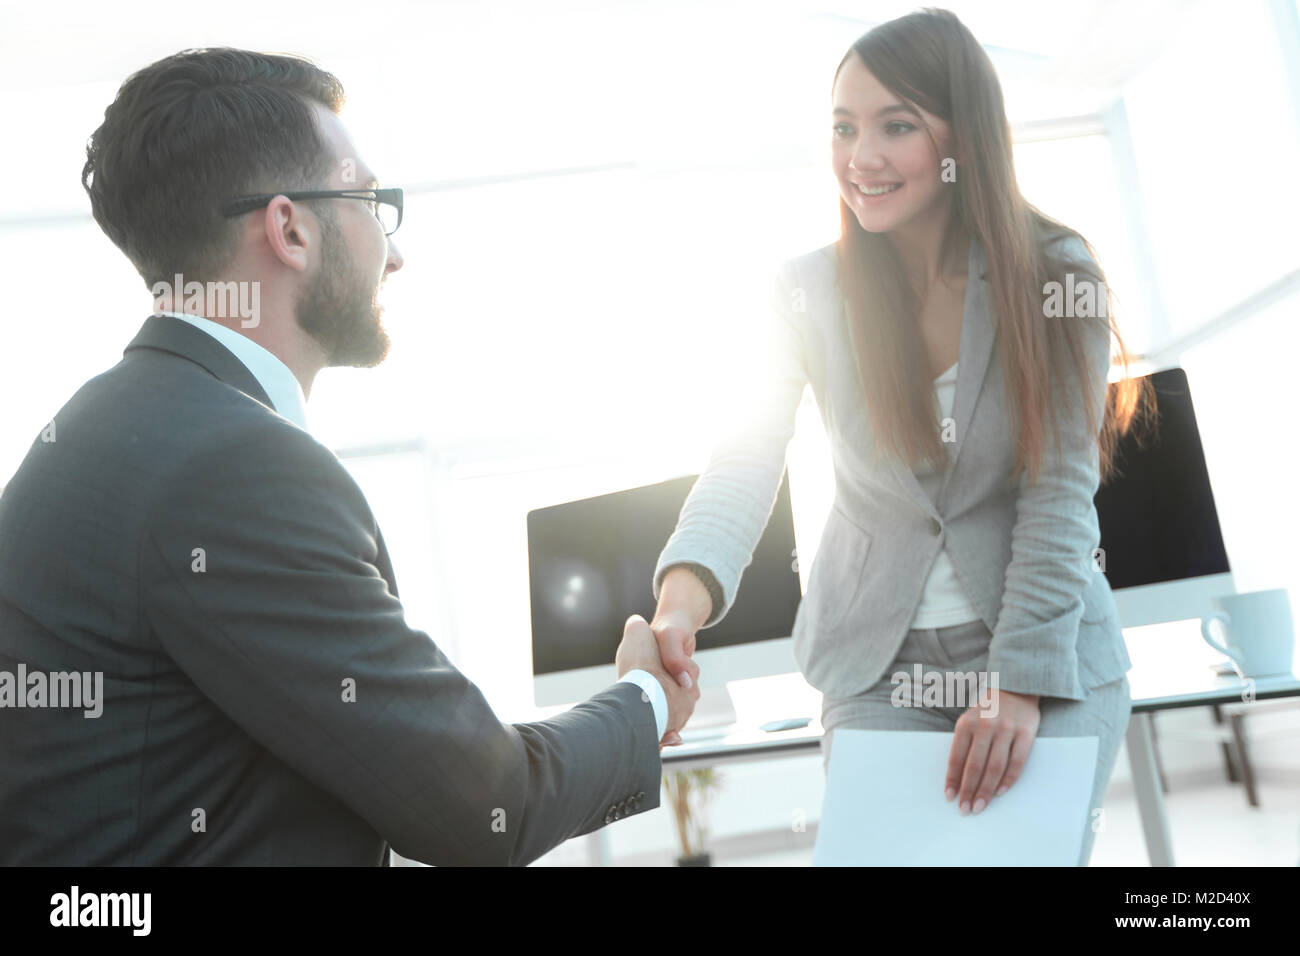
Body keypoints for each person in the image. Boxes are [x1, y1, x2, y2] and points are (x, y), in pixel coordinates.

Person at [0, 47, 698, 866]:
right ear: (290, 229)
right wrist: (646, 698)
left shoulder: (103, 430)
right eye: (371, 201)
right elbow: (485, 806)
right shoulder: (235, 468)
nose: (394, 254)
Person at [647, 9, 1154, 865]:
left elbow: (1059, 488)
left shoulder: (1057, 273)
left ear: (965, 136)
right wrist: (678, 602)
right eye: (844, 127)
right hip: (877, 667)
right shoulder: (805, 288)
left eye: (896, 126)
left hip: (1044, 655)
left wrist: (1020, 681)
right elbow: (746, 455)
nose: (860, 157)